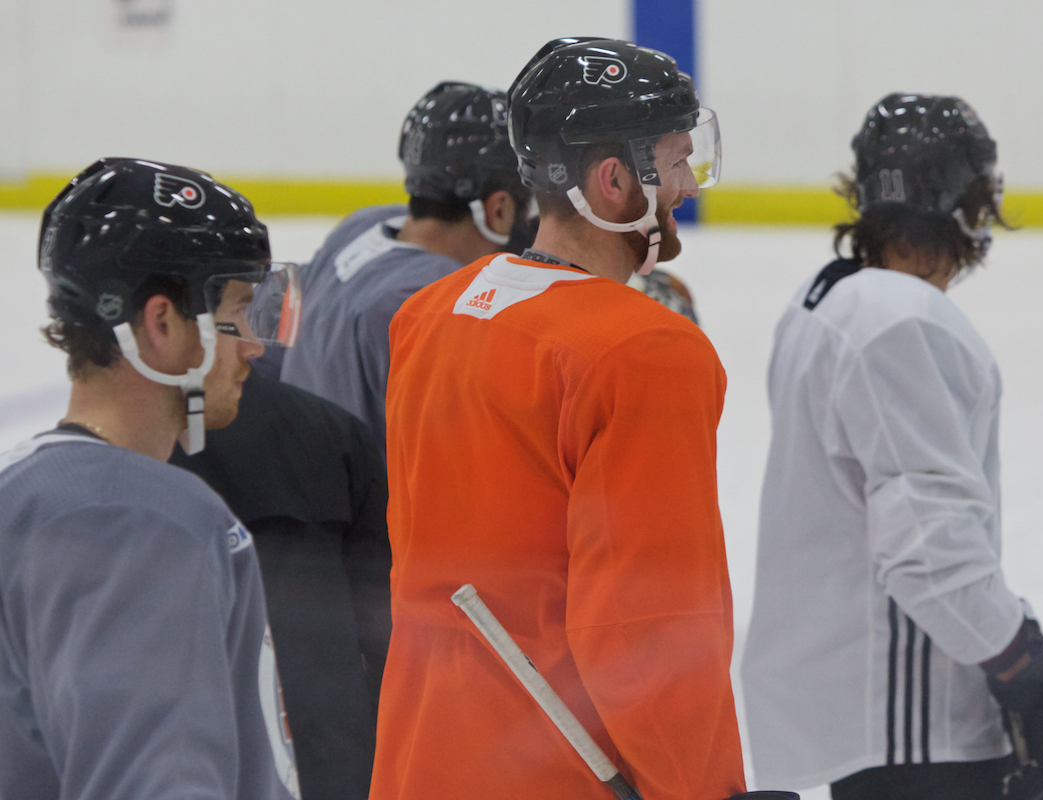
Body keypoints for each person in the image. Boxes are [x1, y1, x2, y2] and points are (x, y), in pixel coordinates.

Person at [369, 38, 747, 800]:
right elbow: (649, 625)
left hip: (422, 762)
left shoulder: (428, 314)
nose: (687, 187)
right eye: (676, 163)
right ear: (614, 181)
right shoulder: (644, 352)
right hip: (560, 776)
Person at [741, 94, 1043, 800]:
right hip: (906, 720)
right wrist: (1024, 664)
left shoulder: (824, 299)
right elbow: (928, 550)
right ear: (964, 205)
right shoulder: (903, 322)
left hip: (846, 704)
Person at [0, 158, 302, 799]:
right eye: (239, 312)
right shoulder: (139, 521)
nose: (254, 345)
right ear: (161, 324)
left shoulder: (27, 488)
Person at [170, 366, 390, 800]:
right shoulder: (326, 427)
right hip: (338, 754)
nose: (254, 341)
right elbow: (385, 620)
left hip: (199, 765)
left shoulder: (114, 471)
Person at [278, 81, 534, 449]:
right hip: (368, 500)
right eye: (531, 203)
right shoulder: (436, 299)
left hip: (309, 478)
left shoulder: (362, 225)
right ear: (499, 210)